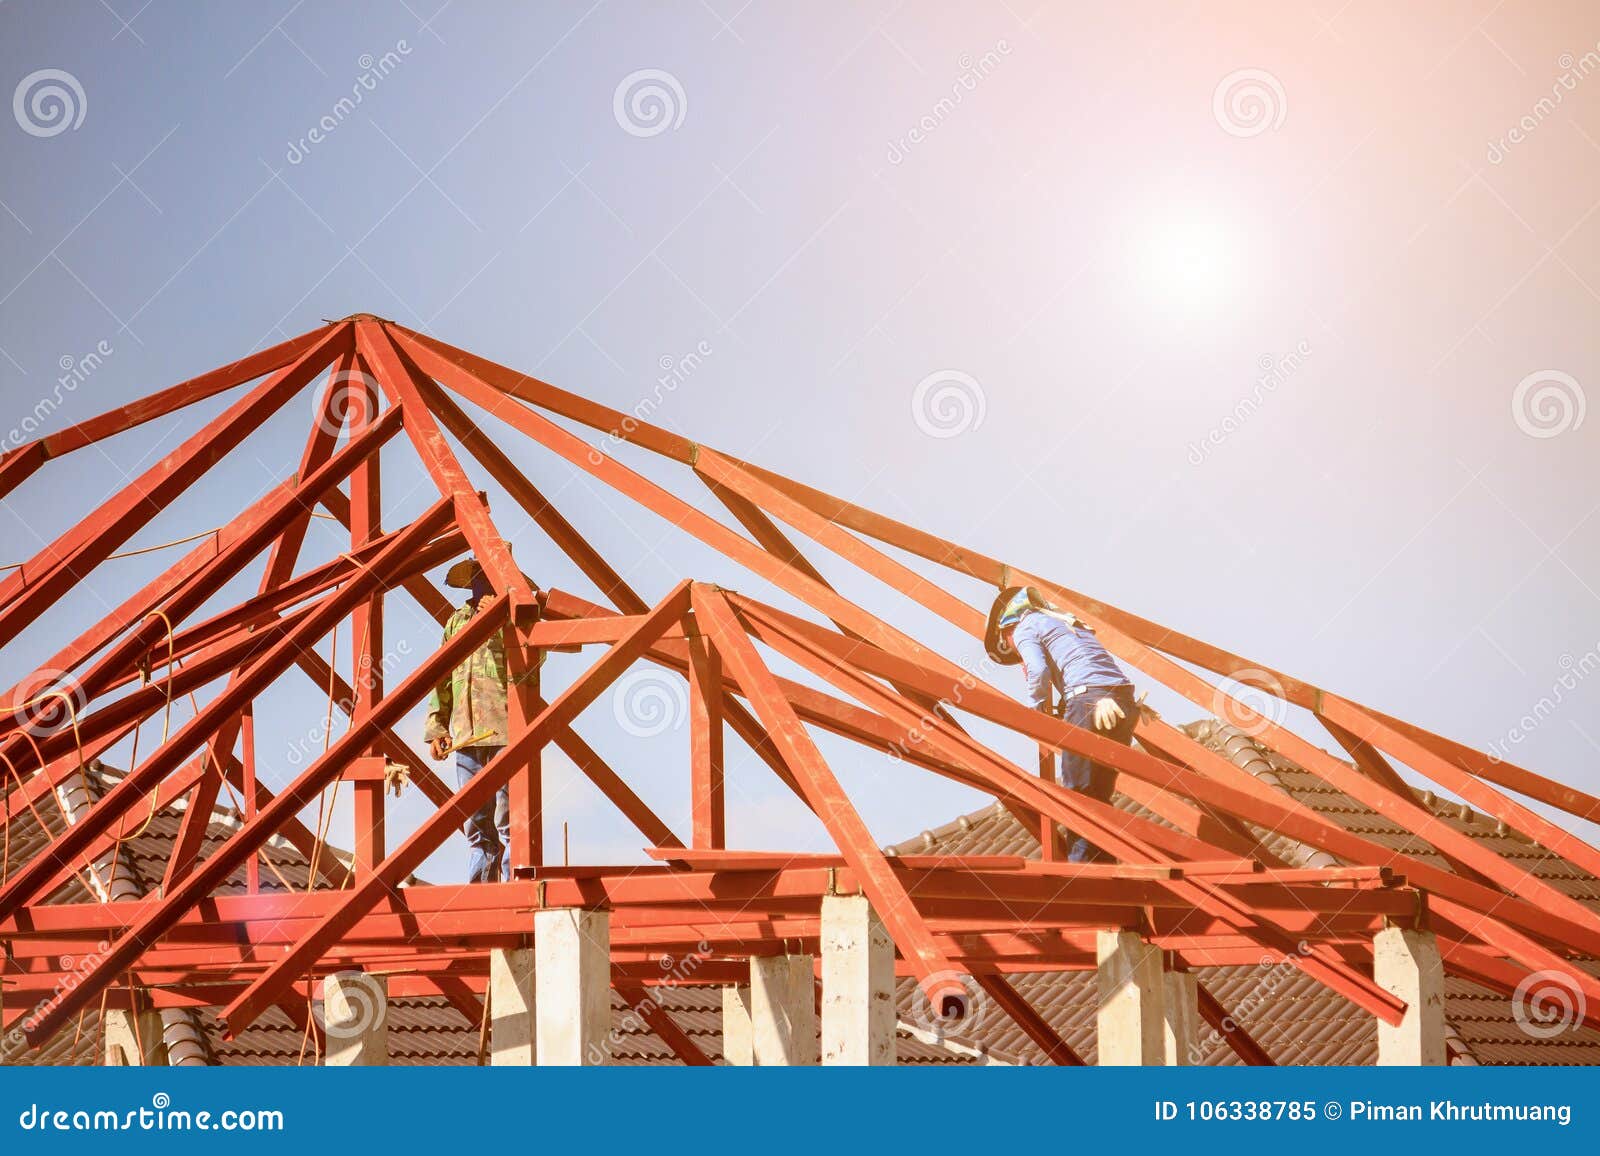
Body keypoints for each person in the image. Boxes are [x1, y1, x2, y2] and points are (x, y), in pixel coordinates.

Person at [984, 585, 1138, 862]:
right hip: (1123, 703)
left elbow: (1038, 669)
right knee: (1099, 793)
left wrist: (1036, 709)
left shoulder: (1024, 627)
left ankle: (1085, 868)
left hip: (1088, 701)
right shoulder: (1067, 623)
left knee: (1078, 792)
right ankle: (1104, 862)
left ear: (1006, 630)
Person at [423, 557, 527, 883]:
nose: (483, 584)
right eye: (480, 577)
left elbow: (533, 662)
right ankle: (480, 890)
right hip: (466, 737)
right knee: (476, 826)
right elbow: (441, 675)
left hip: (505, 732)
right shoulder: (456, 622)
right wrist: (437, 727)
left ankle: (515, 891)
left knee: (509, 823)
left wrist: (502, 620)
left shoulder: (518, 615)